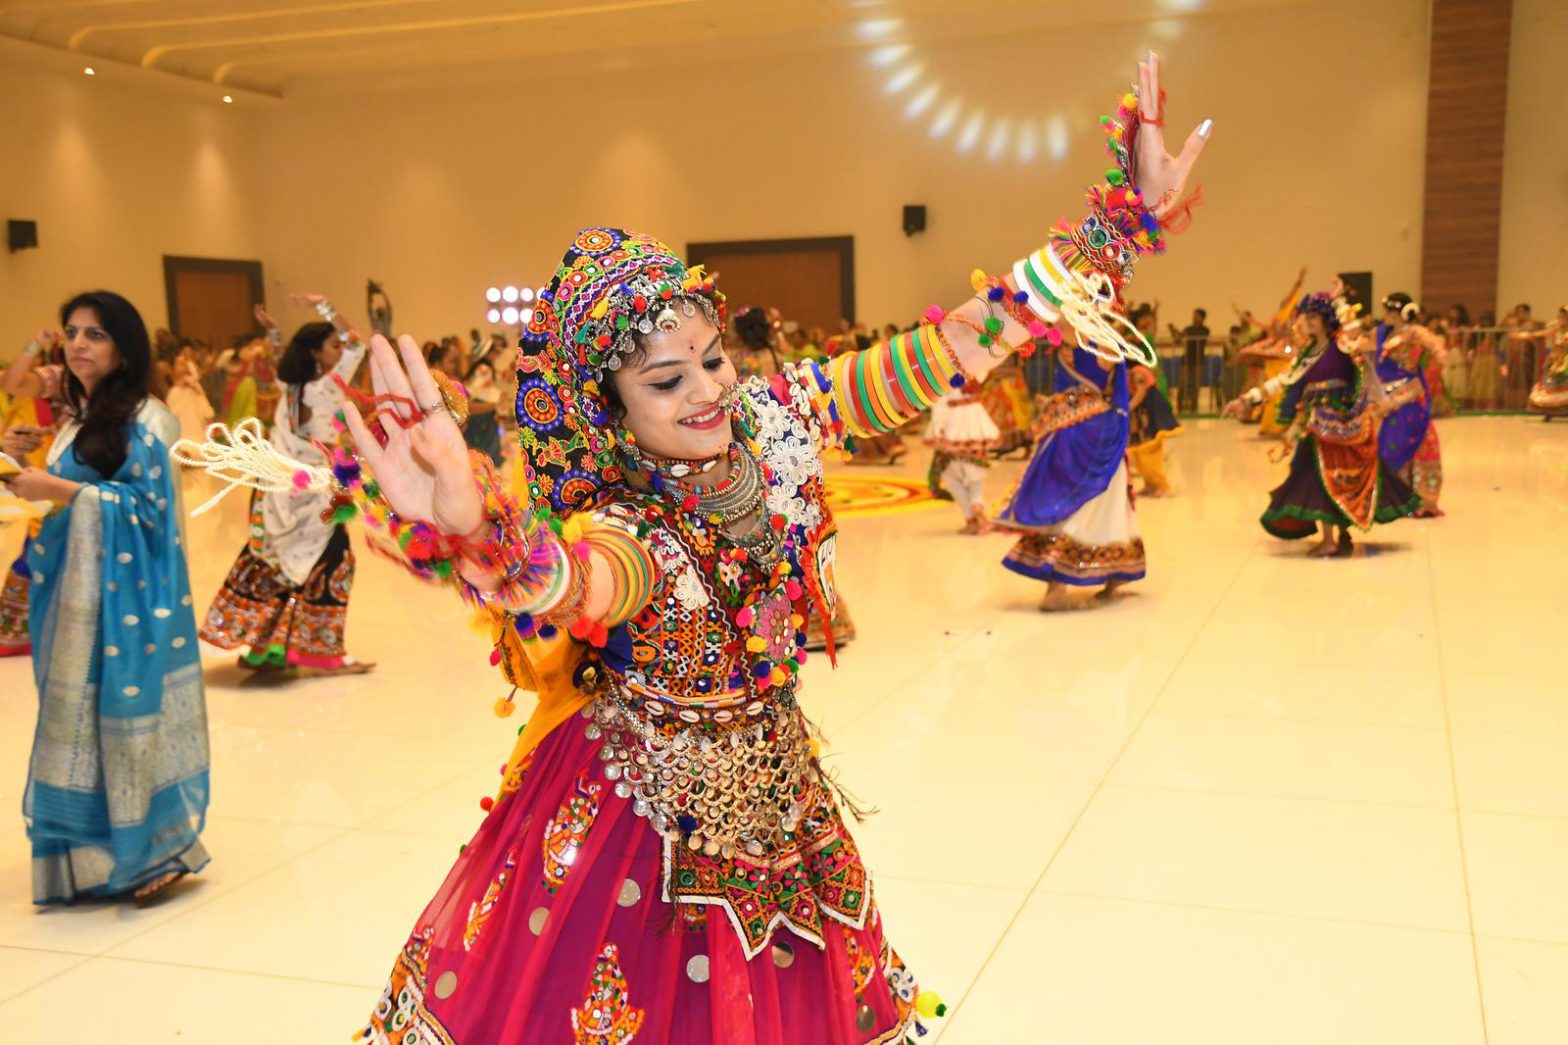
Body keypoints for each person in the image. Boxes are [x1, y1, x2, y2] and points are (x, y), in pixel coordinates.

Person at [184, 58, 1205, 1045]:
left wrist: (1120, 224)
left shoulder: (778, 419)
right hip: (637, 817)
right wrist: (473, 533)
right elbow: (568, 582)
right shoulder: (629, 526)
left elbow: (956, 343)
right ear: (610, 412)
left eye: (710, 358)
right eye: (666, 382)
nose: (708, 390)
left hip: (776, 796)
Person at [0, 290, 210, 903]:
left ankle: (154, 851)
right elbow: (80, 481)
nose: (77, 344)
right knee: (77, 719)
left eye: (94, 334)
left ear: (124, 346)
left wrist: (58, 489)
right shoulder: (75, 415)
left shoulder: (150, 418)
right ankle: (87, 858)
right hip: (70, 599)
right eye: (71, 332)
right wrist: (24, 461)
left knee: (126, 714)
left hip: (130, 604)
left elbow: (151, 515)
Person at [199, 292, 375, 675]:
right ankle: (324, 652)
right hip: (311, 494)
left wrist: (276, 334)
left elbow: (282, 361)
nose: (341, 349)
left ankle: (268, 649)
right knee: (333, 563)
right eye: (333, 345)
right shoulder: (325, 388)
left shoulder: (291, 388)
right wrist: (326, 304)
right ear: (316, 353)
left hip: (281, 493)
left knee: (283, 564)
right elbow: (359, 343)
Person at [1226, 289, 1421, 556]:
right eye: (1307, 317)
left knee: (1335, 476)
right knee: (1316, 476)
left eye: (1315, 317)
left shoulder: (1340, 346)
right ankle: (1331, 537)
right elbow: (1284, 380)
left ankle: (1337, 537)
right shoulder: (1307, 353)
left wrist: (1341, 301)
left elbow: (1361, 354)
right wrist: (1247, 399)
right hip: (1316, 423)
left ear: (1326, 319)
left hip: (1340, 423)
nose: (1309, 322)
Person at [993, 342, 1146, 610]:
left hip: (1081, 437)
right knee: (1083, 505)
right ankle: (1069, 581)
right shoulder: (1094, 349)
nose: (1065, 351)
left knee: (1083, 505)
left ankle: (1083, 579)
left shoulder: (1085, 346)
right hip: (1082, 439)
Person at [1377, 293, 1446, 516]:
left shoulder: (1414, 332)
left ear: (1396, 312)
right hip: (1387, 396)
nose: (1384, 315)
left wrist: (1436, 354)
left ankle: (1422, 498)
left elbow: (1437, 347)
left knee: (1415, 439)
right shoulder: (1384, 334)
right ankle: (1396, 497)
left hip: (1409, 395)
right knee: (1390, 440)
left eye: (1386, 311)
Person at [924, 378, 1000, 533]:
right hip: (976, 424)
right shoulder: (973, 367)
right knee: (975, 473)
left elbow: (939, 403)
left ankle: (971, 519)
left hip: (953, 425)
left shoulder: (941, 372)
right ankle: (977, 504)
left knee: (951, 477)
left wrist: (939, 429)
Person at [1127, 357, 1182, 496]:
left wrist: (1127, 408)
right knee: (1139, 452)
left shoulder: (1137, 372)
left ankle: (1160, 486)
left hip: (1150, 415)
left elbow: (1141, 392)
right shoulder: (1132, 373)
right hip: (1141, 416)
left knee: (1149, 451)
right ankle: (1150, 484)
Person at [1523, 306, 1568, 419]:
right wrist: (1525, 335)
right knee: (1549, 387)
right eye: (1560, 316)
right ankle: (1549, 411)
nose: (1560, 319)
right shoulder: (1557, 330)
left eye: (1563, 317)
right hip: (1555, 363)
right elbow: (1541, 334)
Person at [1167, 307, 1209, 412]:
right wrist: (1173, 330)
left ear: (1202, 318)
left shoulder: (1205, 330)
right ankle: (1179, 407)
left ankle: (1194, 408)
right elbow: (1178, 339)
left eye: (1196, 315)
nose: (1193, 317)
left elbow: (1198, 337)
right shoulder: (1188, 329)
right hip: (1186, 359)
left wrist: (1185, 335)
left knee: (1196, 385)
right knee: (1182, 383)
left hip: (1198, 360)